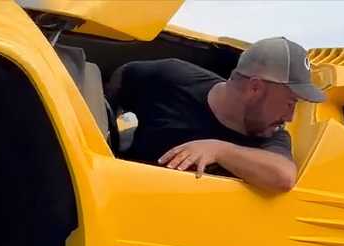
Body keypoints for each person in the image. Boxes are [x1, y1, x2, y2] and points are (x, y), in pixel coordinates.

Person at [111, 36, 326, 192]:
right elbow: (117, 79)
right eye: (290, 103)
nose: (290, 117)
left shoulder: (271, 135)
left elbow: (283, 176)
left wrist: (219, 150)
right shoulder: (170, 78)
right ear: (255, 89)